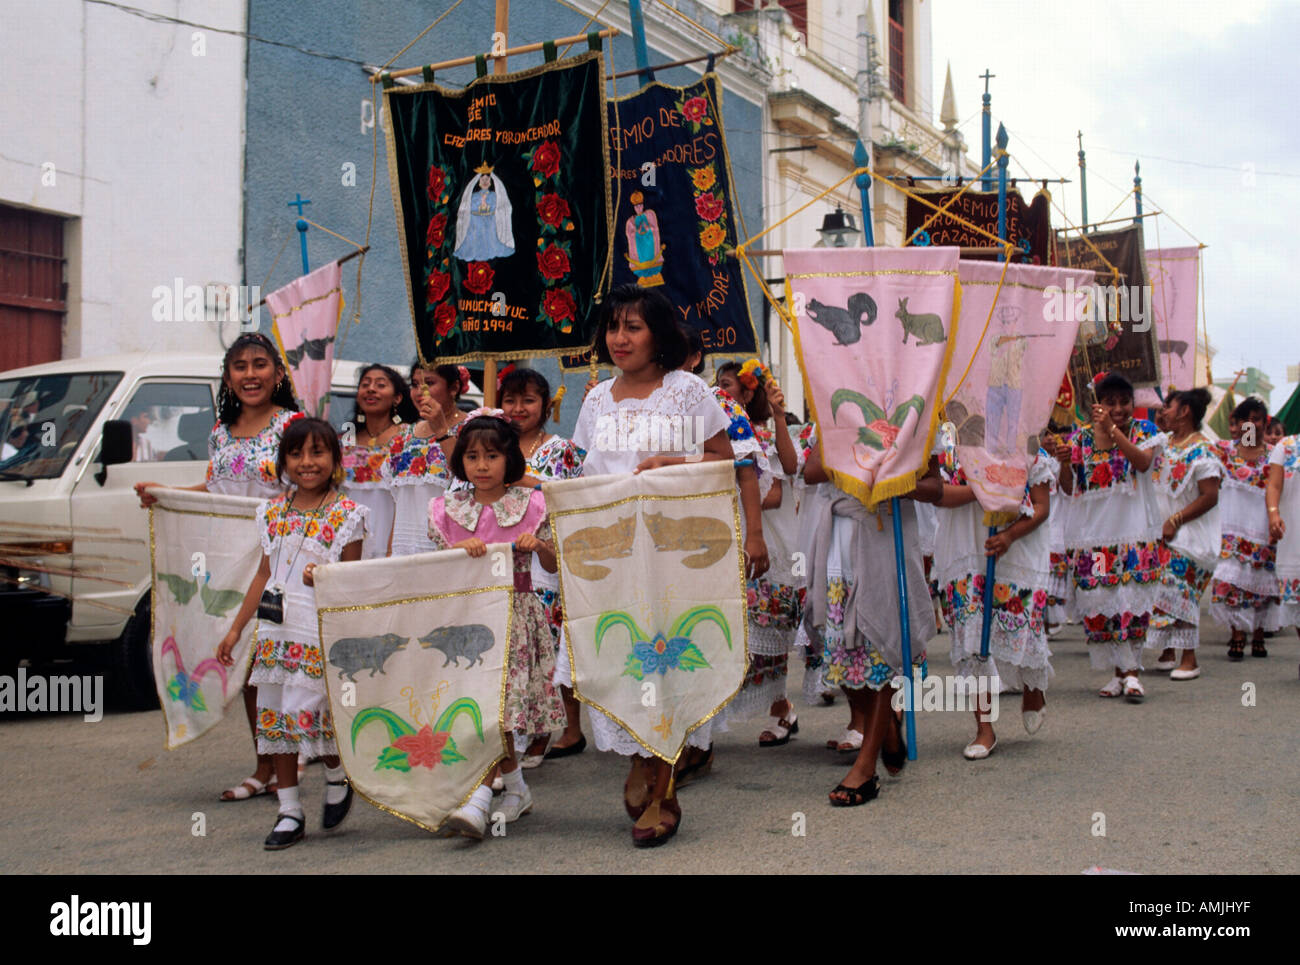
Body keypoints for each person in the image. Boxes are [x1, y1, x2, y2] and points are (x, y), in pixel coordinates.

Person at [563, 284, 767, 847]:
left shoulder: (688, 391)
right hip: (615, 555)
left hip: (676, 553)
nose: (619, 338)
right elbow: (583, 478)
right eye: (612, 327)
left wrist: (672, 463)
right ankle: (637, 751)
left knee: (667, 657)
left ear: (658, 333)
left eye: (632, 326)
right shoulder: (596, 399)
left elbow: (731, 462)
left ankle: (665, 783)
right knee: (621, 651)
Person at [135, 332, 301, 802]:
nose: (251, 375)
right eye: (240, 367)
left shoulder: (293, 427)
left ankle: (311, 758)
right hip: (231, 562)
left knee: (279, 665)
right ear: (228, 377)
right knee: (247, 667)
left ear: (278, 373)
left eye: (260, 365)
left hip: (280, 559)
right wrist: (166, 495)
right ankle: (266, 764)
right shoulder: (219, 433)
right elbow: (217, 490)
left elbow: (310, 485)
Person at [216, 417, 368, 849]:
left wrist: (324, 576)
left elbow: (351, 580)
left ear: (336, 460)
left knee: (308, 718)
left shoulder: (349, 516)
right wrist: (235, 629)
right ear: (283, 461)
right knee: (276, 721)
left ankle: (337, 774)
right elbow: (264, 573)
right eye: (297, 453)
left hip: (316, 634)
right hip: (274, 635)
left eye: (318, 452)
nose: (307, 462)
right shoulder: (271, 513)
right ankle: (289, 809)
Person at [429, 412, 563, 839]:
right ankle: (516, 789)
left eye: (492, 455)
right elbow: (432, 571)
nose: (482, 465)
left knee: (498, 711)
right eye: (472, 456)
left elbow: (556, 564)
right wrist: (456, 552)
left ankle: (479, 799)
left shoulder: (533, 505)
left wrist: (538, 545)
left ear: (510, 459)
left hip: (514, 618)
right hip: (467, 622)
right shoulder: (449, 509)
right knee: (481, 710)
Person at [801, 443, 936, 804]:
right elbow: (811, 471)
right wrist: (856, 460)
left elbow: (934, 487)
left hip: (885, 540)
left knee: (880, 651)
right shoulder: (835, 410)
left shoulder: (914, 416)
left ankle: (865, 768)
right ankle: (886, 728)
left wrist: (898, 483)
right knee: (847, 658)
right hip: (837, 545)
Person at [934, 448, 1054, 759]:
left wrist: (1011, 536)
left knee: (1021, 629)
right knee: (975, 640)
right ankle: (984, 727)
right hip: (966, 550)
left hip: (1016, 551)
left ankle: (1033, 689)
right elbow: (938, 494)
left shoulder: (1028, 449)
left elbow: (1042, 507)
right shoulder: (949, 451)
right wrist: (981, 490)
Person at [1054, 372, 1164, 702]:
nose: (1118, 408)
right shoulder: (1080, 439)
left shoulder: (1145, 431)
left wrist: (1114, 431)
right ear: (1097, 404)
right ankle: (1120, 673)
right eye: (1110, 402)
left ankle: (1131, 673)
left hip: (1133, 537)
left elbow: (1143, 463)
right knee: (1106, 604)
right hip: (1096, 542)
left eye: (1124, 402)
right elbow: (1068, 488)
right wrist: (1062, 464)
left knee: (1131, 602)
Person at [497, 367, 586, 767]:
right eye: (510, 400)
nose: (518, 408)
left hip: (547, 554)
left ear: (546, 405)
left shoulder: (561, 449)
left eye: (528, 400)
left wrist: (527, 481)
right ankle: (515, 729)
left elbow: (573, 496)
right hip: (503, 556)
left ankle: (549, 728)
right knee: (514, 648)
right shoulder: (491, 445)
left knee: (548, 643)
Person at [716, 360, 804, 747]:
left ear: (746, 393)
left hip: (766, 552)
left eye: (726, 385)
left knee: (767, 639)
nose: (718, 392)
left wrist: (780, 415)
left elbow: (777, 489)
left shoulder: (762, 437)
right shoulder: (717, 440)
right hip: (725, 551)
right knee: (728, 639)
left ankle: (782, 708)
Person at [1145, 389, 1221, 678]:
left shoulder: (1203, 450)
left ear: (1185, 411)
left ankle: (1190, 658)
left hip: (1193, 533)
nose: (1163, 410)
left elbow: (1209, 495)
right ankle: (1167, 650)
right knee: (1157, 587)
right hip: (1163, 531)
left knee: (1180, 587)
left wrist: (1176, 520)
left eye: (1168, 405)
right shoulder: (1163, 443)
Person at [1211, 397, 1278, 660]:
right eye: (1246, 419)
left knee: (1261, 583)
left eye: (1258, 419)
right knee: (1231, 581)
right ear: (1237, 424)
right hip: (1231, 529)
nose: (1252, 424)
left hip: (1263, 528)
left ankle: (1259, 635)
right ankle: (1237, 634)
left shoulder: (1275, 456)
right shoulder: (1223, 451)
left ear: (1264, 423)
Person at [341, 364, 417, 559]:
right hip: (348, 540)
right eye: (365, 384)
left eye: (380, 385)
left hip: (390, 539)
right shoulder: (344, 441)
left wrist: (393, 550)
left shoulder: (409, 438)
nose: (371, 389)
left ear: (397, 398)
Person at [1265, 432, 1300, 643]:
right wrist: (1273, 513)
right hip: (1295, 535)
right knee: (1296, 603)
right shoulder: (1287, 446)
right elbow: (1274, 485)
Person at [453, 164, 515, 261]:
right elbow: (470, 209)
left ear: (490, 182)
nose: (485, 182)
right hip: (476, 221)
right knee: (475, 224)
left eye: (487, 179)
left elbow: (498, 208)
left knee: (491, 226)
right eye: (483, 180)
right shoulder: (474, 197)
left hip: (490, 221)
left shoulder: (494, 196)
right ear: (479, 182)